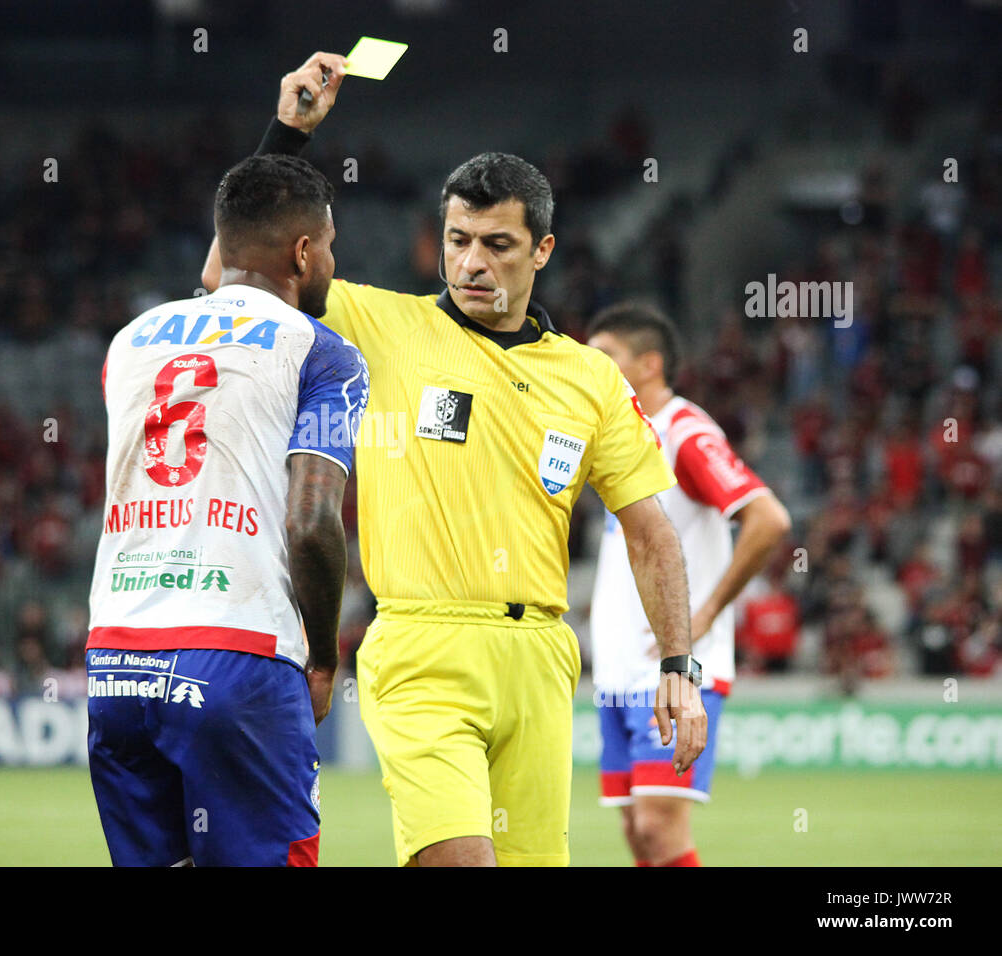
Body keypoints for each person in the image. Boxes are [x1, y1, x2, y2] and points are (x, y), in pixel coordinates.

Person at [201, 53, 706, 867]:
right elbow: (233, 276)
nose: (472, 262)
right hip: (419, 645)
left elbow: (651, 531)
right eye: (458, 240)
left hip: (541, 656)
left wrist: (680, 665)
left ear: (542, 250)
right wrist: (287, 135)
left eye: (497, 245)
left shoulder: (590, 377)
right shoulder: (378, 326)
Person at [86, 154, 368, 866]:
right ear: (304, 252)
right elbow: (310, 524)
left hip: (117, 658)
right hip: (237, 653)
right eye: (328, 244)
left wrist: (288, 136)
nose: (331, 259)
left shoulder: (130, 343)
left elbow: (219, 304)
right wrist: (325, 657)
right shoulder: (324, 355)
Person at [587, 301, 791, 866]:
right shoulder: (620, 433)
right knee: (637, 829)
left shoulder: (684, 432)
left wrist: (701, 618)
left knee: (659, 824)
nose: (591, 365)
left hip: (674, 668)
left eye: (606, 356)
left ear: (649, 364)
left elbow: (768, 519)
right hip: (620, 665)